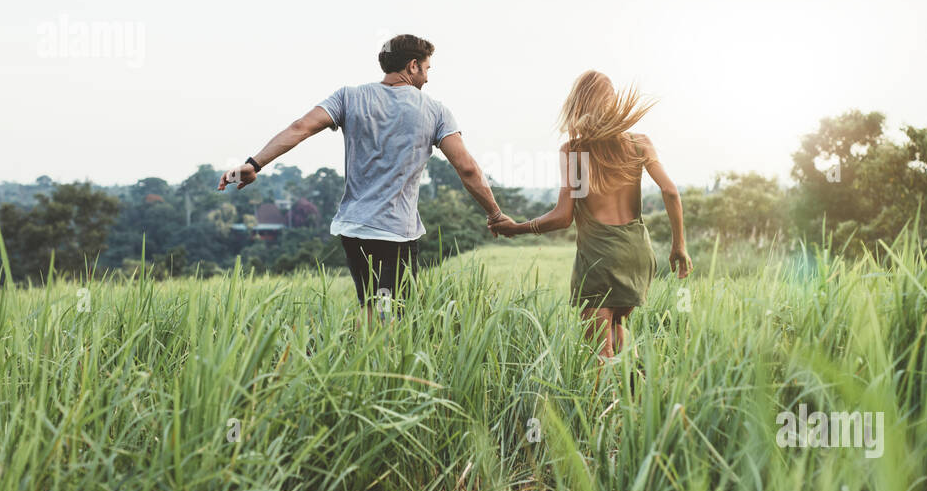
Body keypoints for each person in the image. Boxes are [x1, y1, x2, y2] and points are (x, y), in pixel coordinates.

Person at [218, 34, 510, 320]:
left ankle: (361, 361)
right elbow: (467, 168)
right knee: (389, 314)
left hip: (354, 230)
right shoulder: (435, 111)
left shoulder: (349, 96)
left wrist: (253, 164)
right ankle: (376, 365)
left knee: (373, 306)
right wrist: (495, 214)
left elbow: (299, 128)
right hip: (395, 234)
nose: (427, 78)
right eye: (427, 69)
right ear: (412, 66)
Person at [490, 70, 691, 359]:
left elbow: (562, 216)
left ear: (579, 104)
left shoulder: (575, 151)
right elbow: (671, 191)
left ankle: (608, 403)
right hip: (638, 255)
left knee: (600, 357)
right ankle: (640, 397)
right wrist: (678, 246)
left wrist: (516, 228)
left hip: (601, 258)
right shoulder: (640, 143)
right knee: (616, 331)